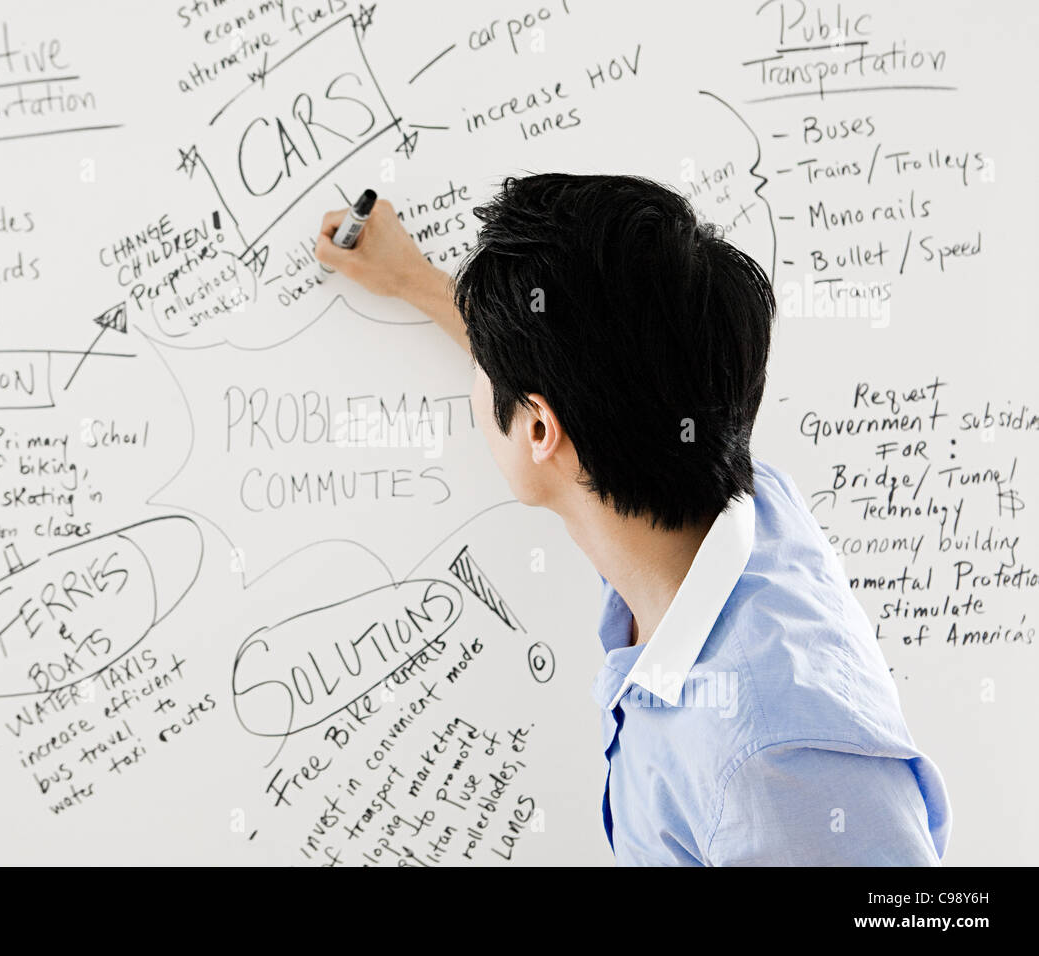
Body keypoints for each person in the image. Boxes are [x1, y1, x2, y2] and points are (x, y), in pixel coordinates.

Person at [314, 174, 951, 866]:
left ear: (538, 429)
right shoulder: (733, 492)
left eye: (491, 371)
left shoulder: (773, 768)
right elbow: (603, 371)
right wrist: (413, 278)